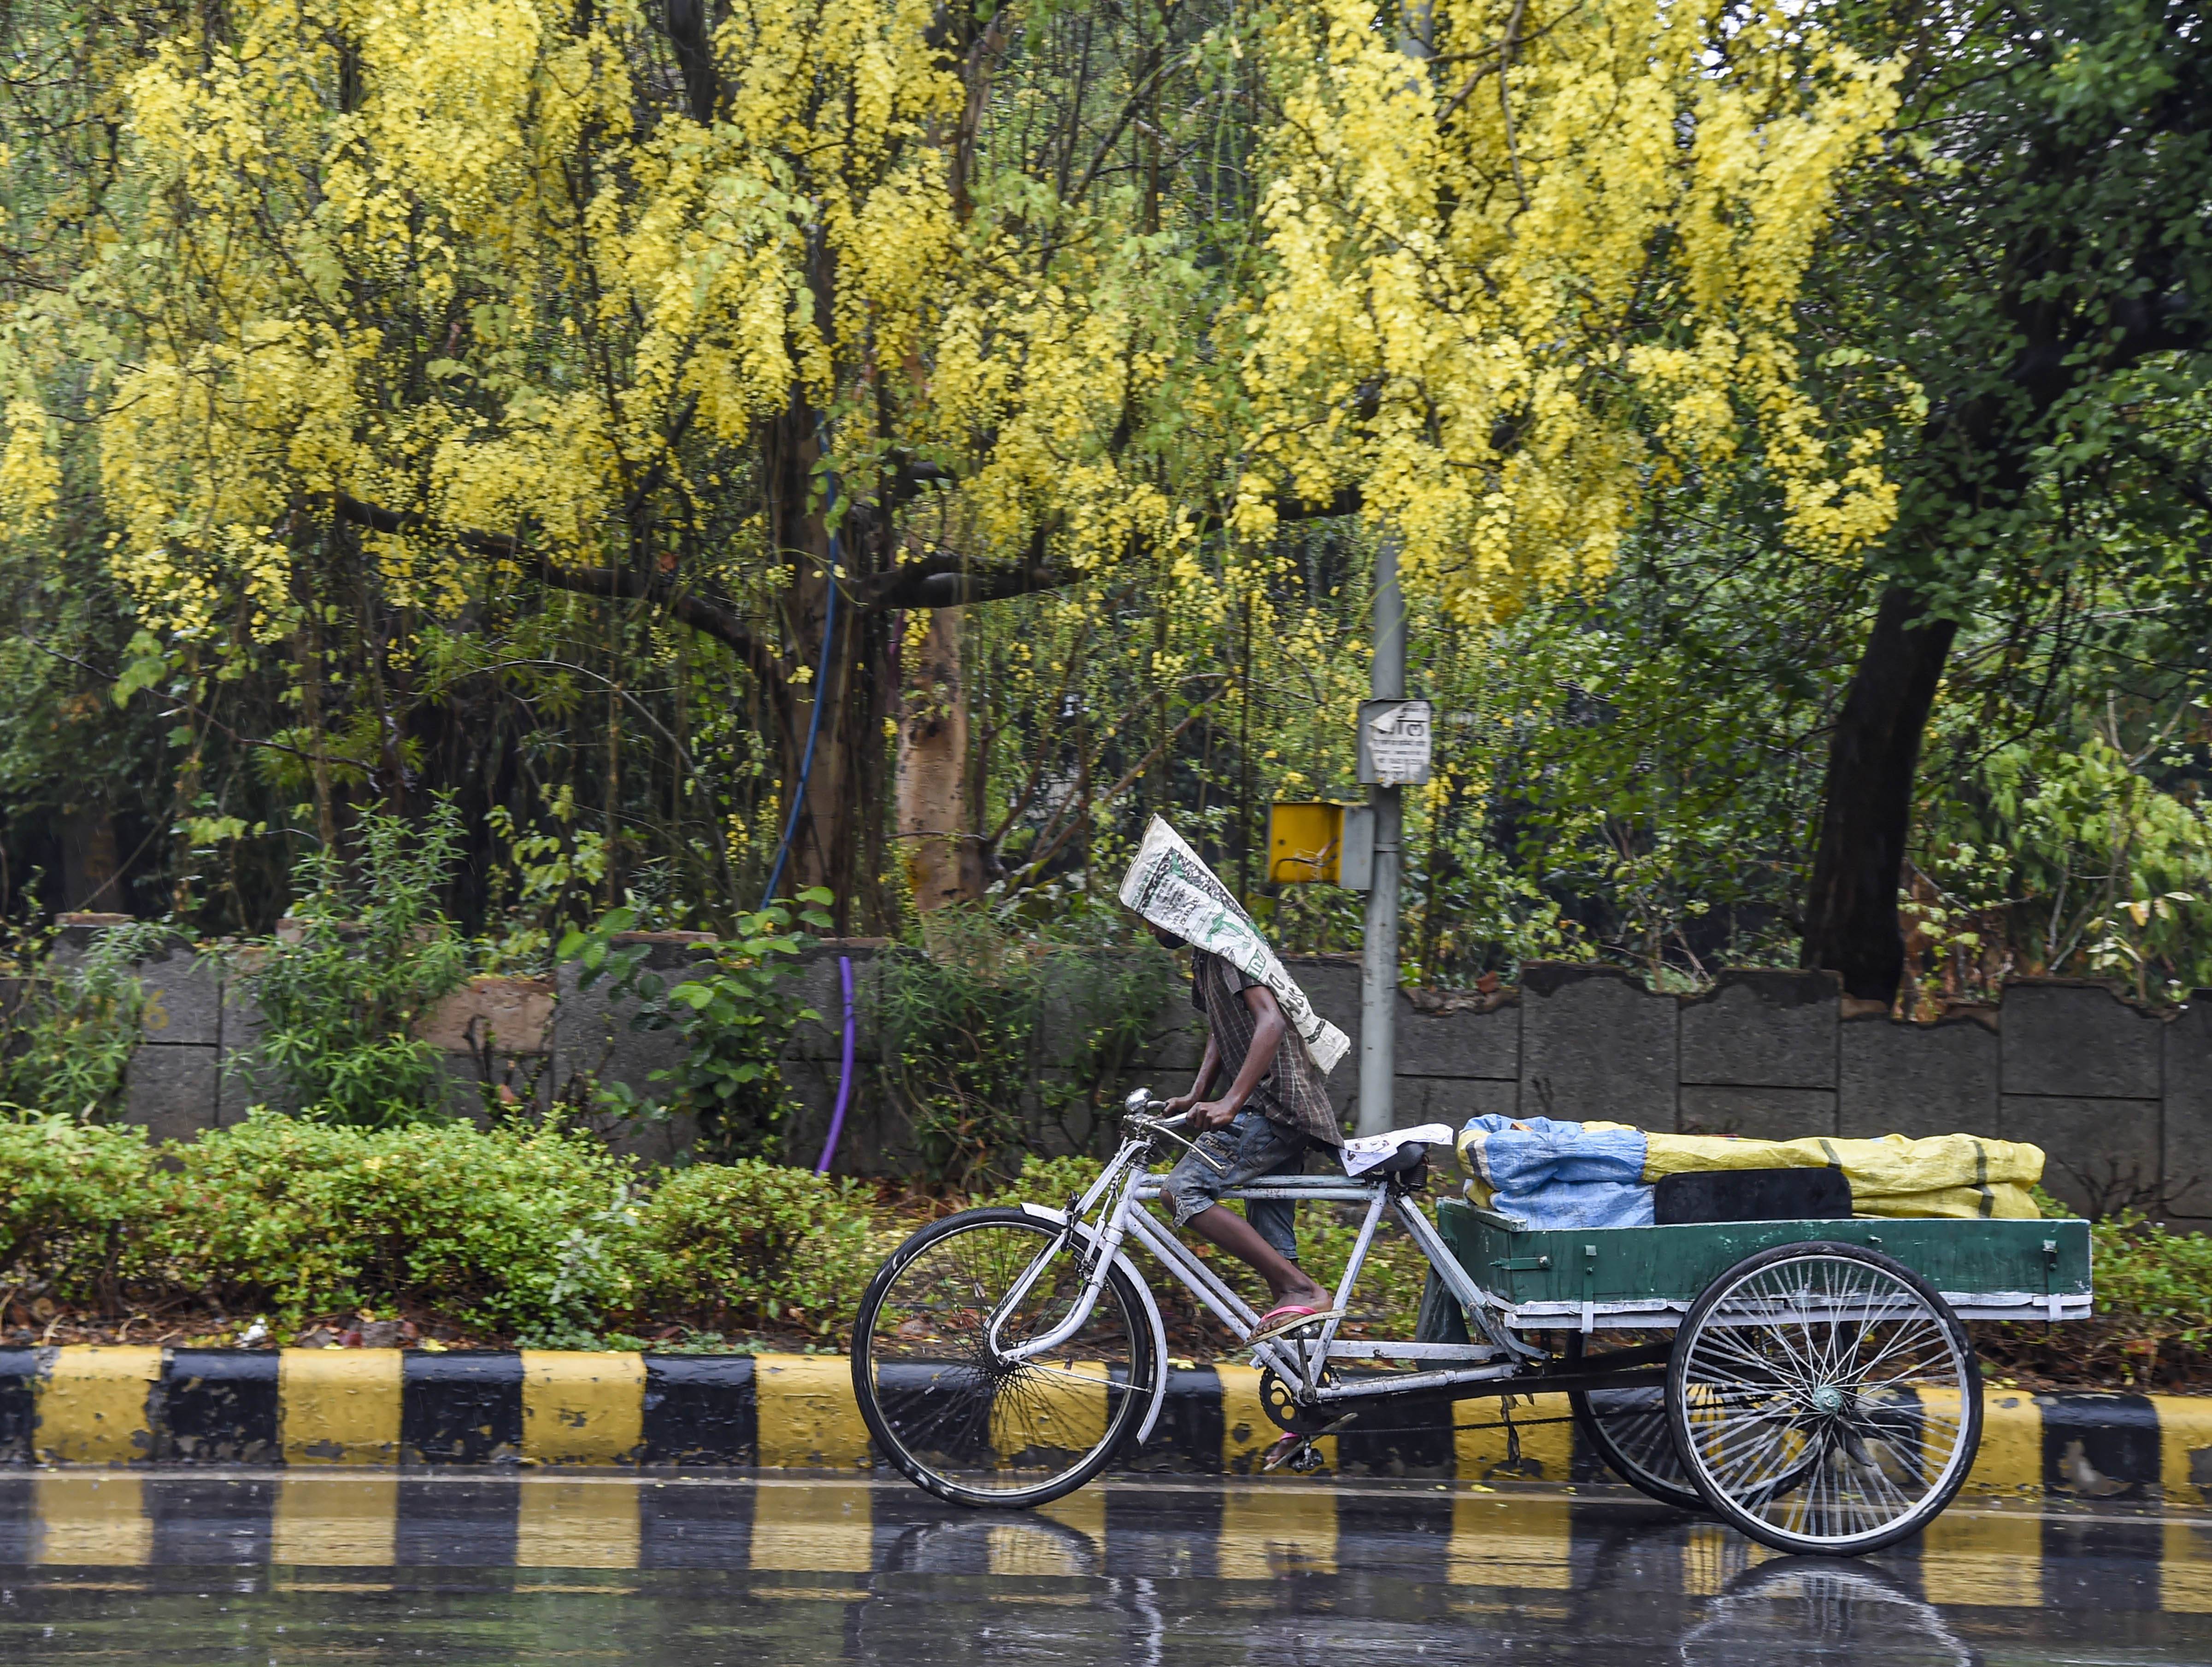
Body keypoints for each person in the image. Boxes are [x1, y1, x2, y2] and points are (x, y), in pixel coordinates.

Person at [1152, 923, 1347, 1344]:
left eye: (1150, 916)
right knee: (1278, 1258)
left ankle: (1304, 1291)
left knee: (1180, 1191)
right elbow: (1222, 1032)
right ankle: (1306, 1364)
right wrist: (1197, 1094)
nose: (1149, 927)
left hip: (1276, 1109)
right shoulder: (1206, 956)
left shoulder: (1230, 948)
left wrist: (1230, 1103)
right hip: (1277, 1110)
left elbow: (1271, 1021)